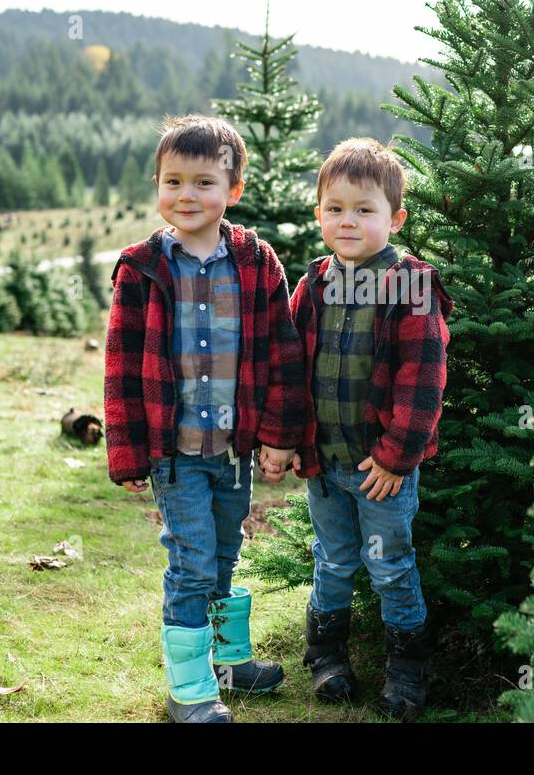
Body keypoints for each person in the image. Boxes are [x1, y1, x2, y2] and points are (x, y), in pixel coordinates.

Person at [104, 114, 304, 723]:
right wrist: (128, 453)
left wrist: (277, 436)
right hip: (175, 451)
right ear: (158, 186)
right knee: (190, 562)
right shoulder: (140, 267)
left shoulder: (254, 260)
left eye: (203, 182)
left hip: (234, 449)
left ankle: (227, 662)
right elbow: (118, 367)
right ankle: (188, 692)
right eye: (173, 182)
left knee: (223, 554)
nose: (186, 195)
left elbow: (281, 350)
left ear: (232, 190)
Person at [262, 137, 453, 720]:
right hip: (323, 465)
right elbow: (290, 370)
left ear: (395, 218)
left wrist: (397, 457)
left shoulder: (411, 285)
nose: (348, 221)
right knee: (334, 559)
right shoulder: (313, 283)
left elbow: (423, 382)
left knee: (391, 565)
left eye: (364, 210)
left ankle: (407, 668)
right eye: (336, 208)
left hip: (381, 473)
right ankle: (327, 656)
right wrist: (286, 440)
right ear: (319, 214)